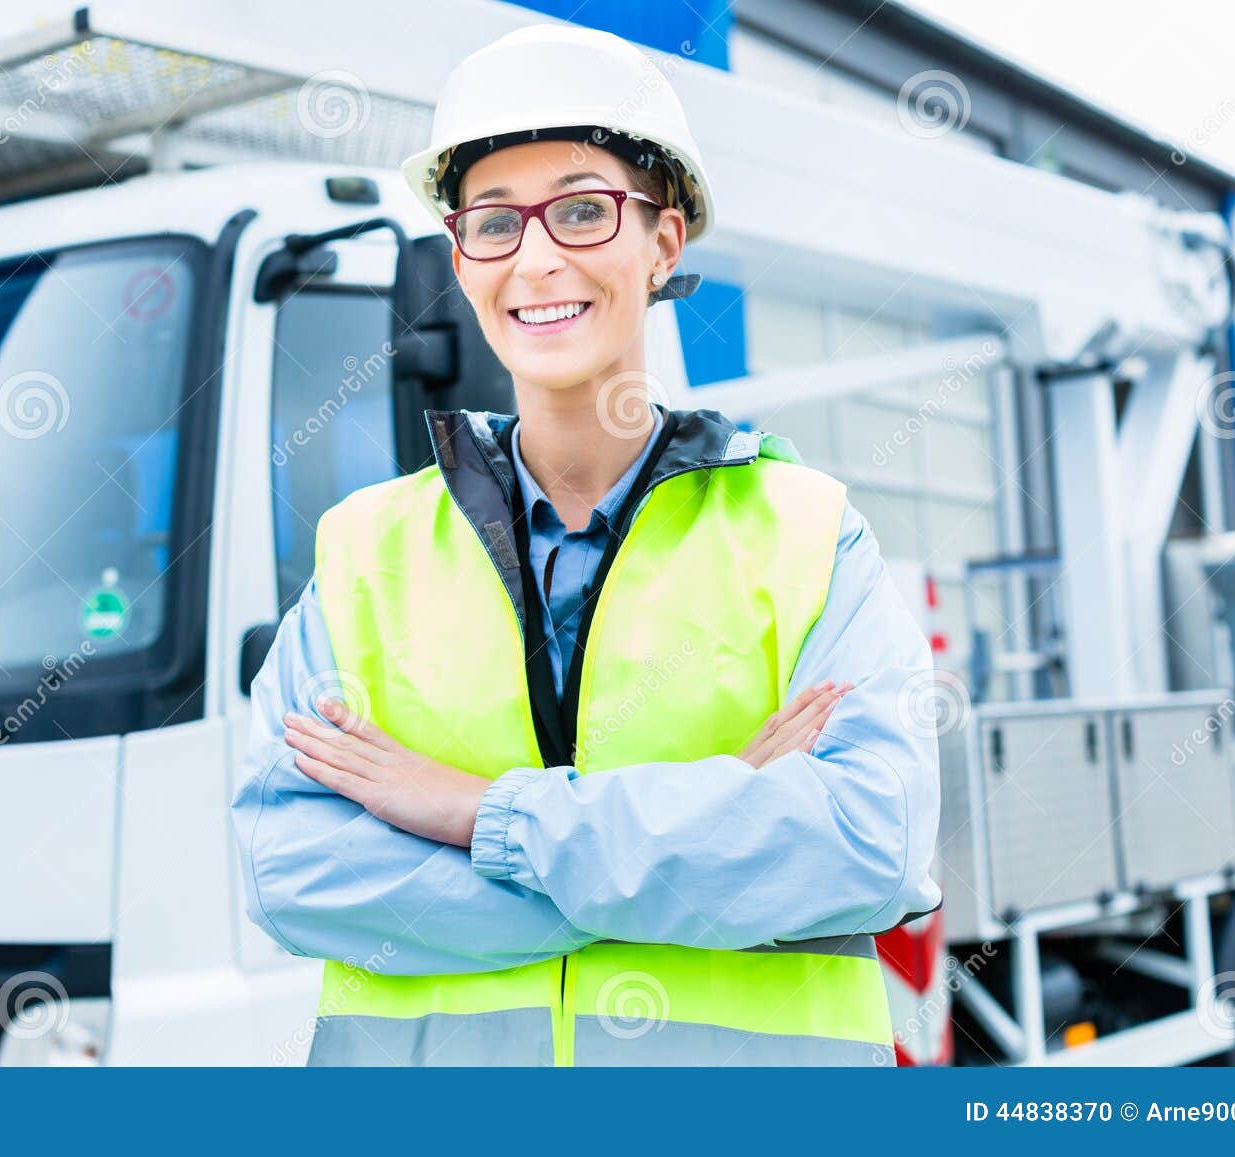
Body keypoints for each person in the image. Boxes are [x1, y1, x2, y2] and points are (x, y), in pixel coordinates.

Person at [230, 22, 942, 1067]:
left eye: (580, 209)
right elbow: (293, 870)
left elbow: (865, 845)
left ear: (665, 241)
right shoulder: (362, 552)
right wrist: (706, 827)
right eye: (493, 222)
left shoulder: (806, 532)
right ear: (459, 256)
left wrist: (476, 812)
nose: (536, 257)